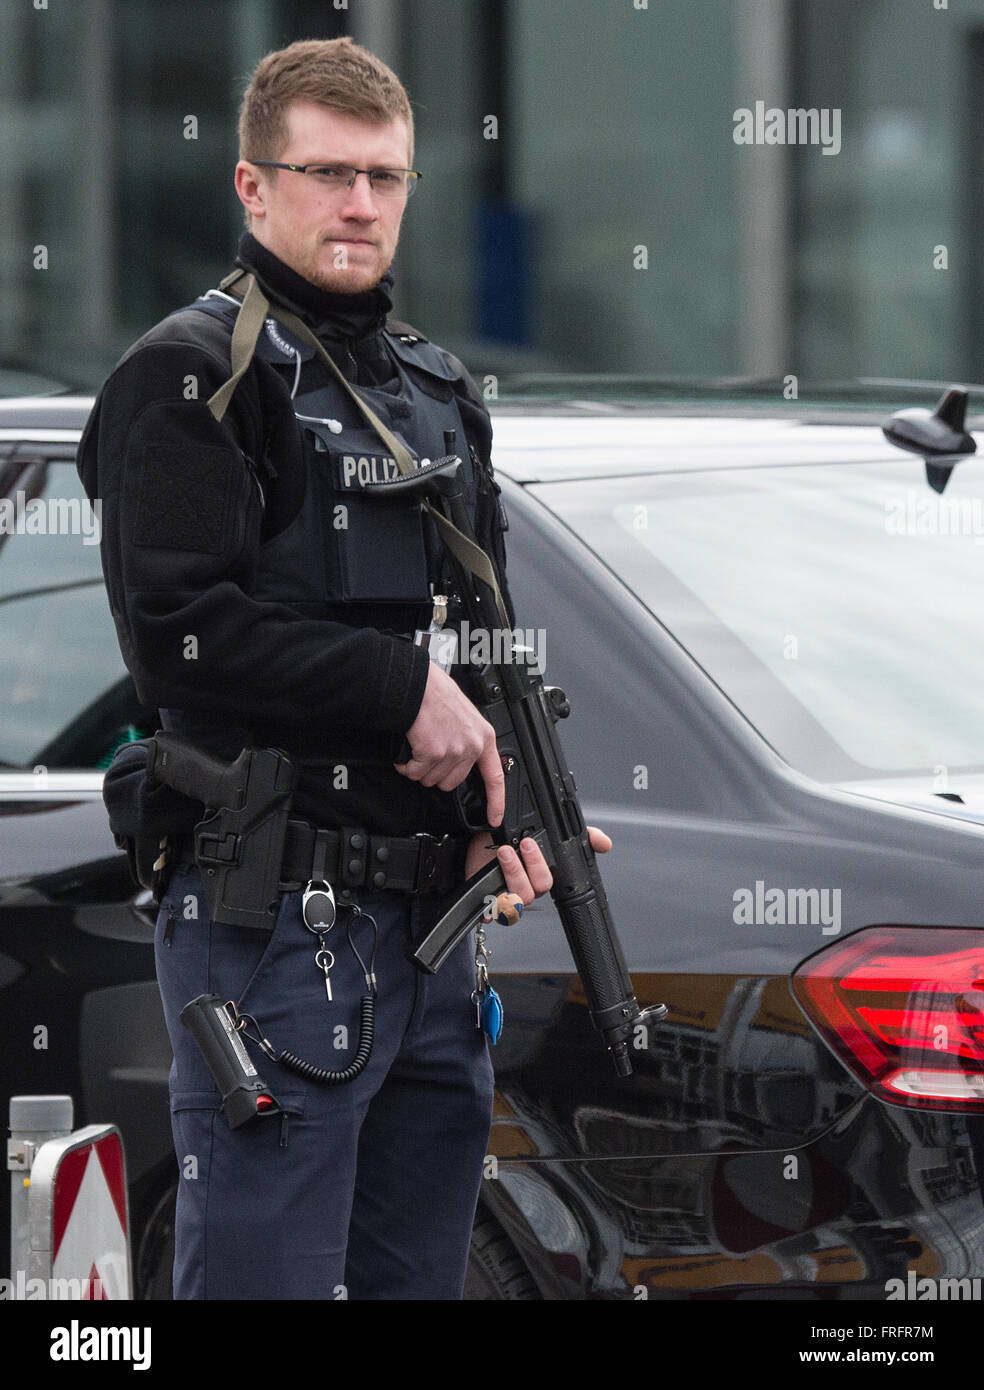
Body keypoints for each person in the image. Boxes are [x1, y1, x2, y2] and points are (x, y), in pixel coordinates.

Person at [78, 35, 609, 1300]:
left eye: (385, 177)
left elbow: (482, 636)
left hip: (428, 927)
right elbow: (176, 630)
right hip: (271, 919)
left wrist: (509, 806)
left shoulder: (435, 386)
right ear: (255, 189)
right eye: (328, 174)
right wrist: (395, 693)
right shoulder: (188, 376)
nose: (361, 204)